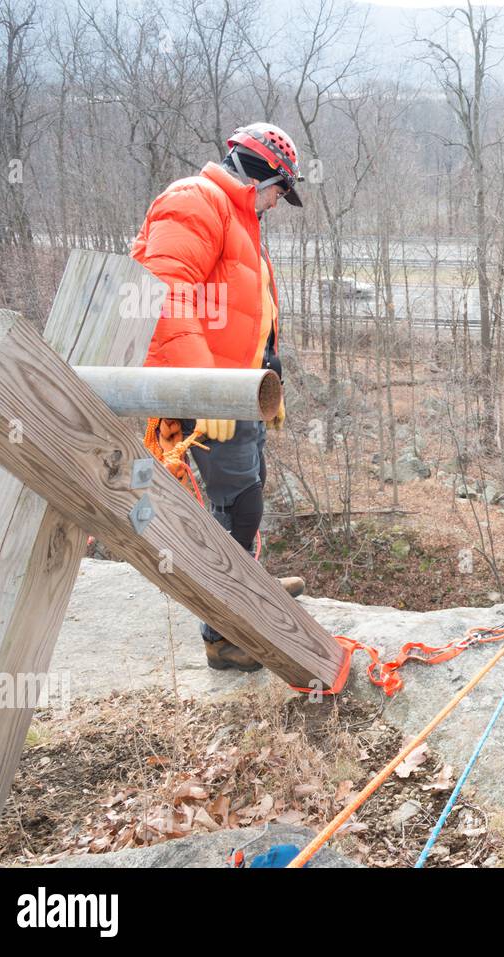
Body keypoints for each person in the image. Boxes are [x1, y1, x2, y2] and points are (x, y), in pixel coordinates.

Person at [131, 122, 305, 672]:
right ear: (263, 176)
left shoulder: (240, 218)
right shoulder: (196, 201)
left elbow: (248, 314)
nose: (279, 202)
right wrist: (204, 391)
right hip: (205, 393)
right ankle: (225, 636)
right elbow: (163, 298)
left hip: (235, 392)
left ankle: (247, 587)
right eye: (281, 190)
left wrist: (268, 377)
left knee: (249, 494)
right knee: (231, 508)